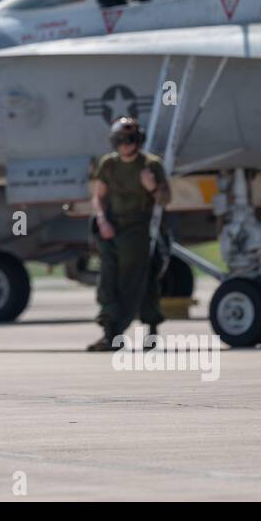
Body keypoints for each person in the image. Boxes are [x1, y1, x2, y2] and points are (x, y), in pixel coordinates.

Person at [86, 117, 172, 352]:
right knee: (108, 281)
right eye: (121, 140)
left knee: (135, 282)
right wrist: (102, 220)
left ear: (138, 140)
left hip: (139, 230)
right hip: (112, 229)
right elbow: (99, 196)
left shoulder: (150, 165)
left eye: (130, 140)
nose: (126, 145)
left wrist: (152, 187)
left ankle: (135, 333)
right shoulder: (109, 165)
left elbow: (165, 198)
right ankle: (110, 332)